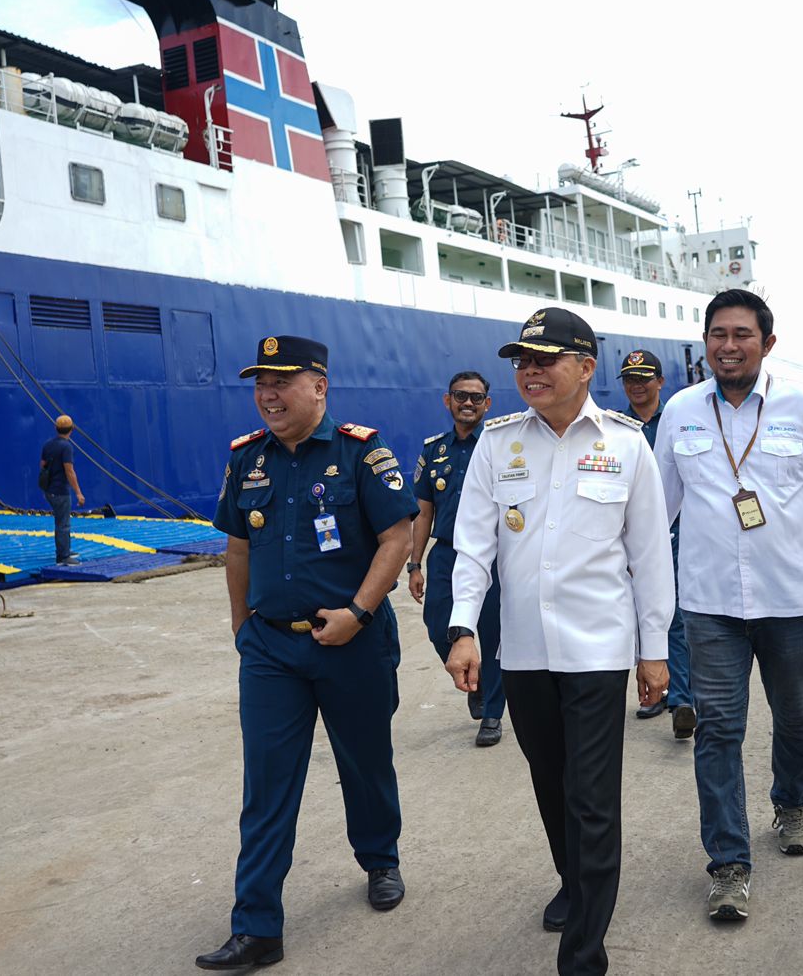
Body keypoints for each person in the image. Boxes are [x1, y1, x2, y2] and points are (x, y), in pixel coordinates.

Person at [445, 307, 673, 974]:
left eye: (545, 360)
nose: (530, 371)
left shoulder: (626, 444)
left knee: (591, 799)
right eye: (523, 361)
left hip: (597, 647)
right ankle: (574, 882)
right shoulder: (498, 444)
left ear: (585, 367)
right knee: (550, 782)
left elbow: (650, 555)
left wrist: (653, 650)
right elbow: (473, 545)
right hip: (524, 650)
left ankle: (583, 955)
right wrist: (463, 628)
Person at [196, 335, 415, 972]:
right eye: (260, 384)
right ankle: (257, 926)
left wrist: (358, 613)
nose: (267, 395)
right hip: (271, 649)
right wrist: (242, 625)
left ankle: (380, 860)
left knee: (365, 762)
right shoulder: (246, 460)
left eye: (281, 382)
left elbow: (397, 538)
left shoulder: (361, 453)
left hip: (353, 642)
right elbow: (238, 548)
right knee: (266, 783)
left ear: (318, 386)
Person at [653, 289, 803, 922]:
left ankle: (791, 803)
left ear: (767, 343)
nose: (729, 345)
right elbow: (658, 506)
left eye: (742, 334)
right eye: (718, 334)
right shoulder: (681, 411)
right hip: (709, 600)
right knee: (718, 729)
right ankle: (728, 863)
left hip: (788, 596)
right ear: (705, 342)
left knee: (797, 718)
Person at [408, 371, 506, 746]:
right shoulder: (434, 451)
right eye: (460, 396)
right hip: (447, 552)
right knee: (438, 624)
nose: (468, 403)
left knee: (493, 633)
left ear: (487, 404)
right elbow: (423, 510)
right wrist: (415, 564)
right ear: (447, 400)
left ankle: (492, 712)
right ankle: (473, 678)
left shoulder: (499, 447)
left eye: (476, 398)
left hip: (492, 553)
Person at [621, 349, 693, 739]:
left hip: (676, 532)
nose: (636, 386)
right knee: (634, 613)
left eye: (644, 378)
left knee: (673, 614)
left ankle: (681, 698)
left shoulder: (678, 422)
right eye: (630, 379)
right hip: (626, 534)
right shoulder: (615, 429)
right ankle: (655, 688)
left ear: (660, 382)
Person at [40, 415, 86, 566]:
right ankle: (63, 556)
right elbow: (69, 471)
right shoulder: (67, 447)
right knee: (63, 524)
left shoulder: (48, 445)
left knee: (60, 521)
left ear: (56, 428)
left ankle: (64, 550)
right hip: (60, 490)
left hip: (49, 490)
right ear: (72, 429)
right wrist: (78, 492)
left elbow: (43, 465)